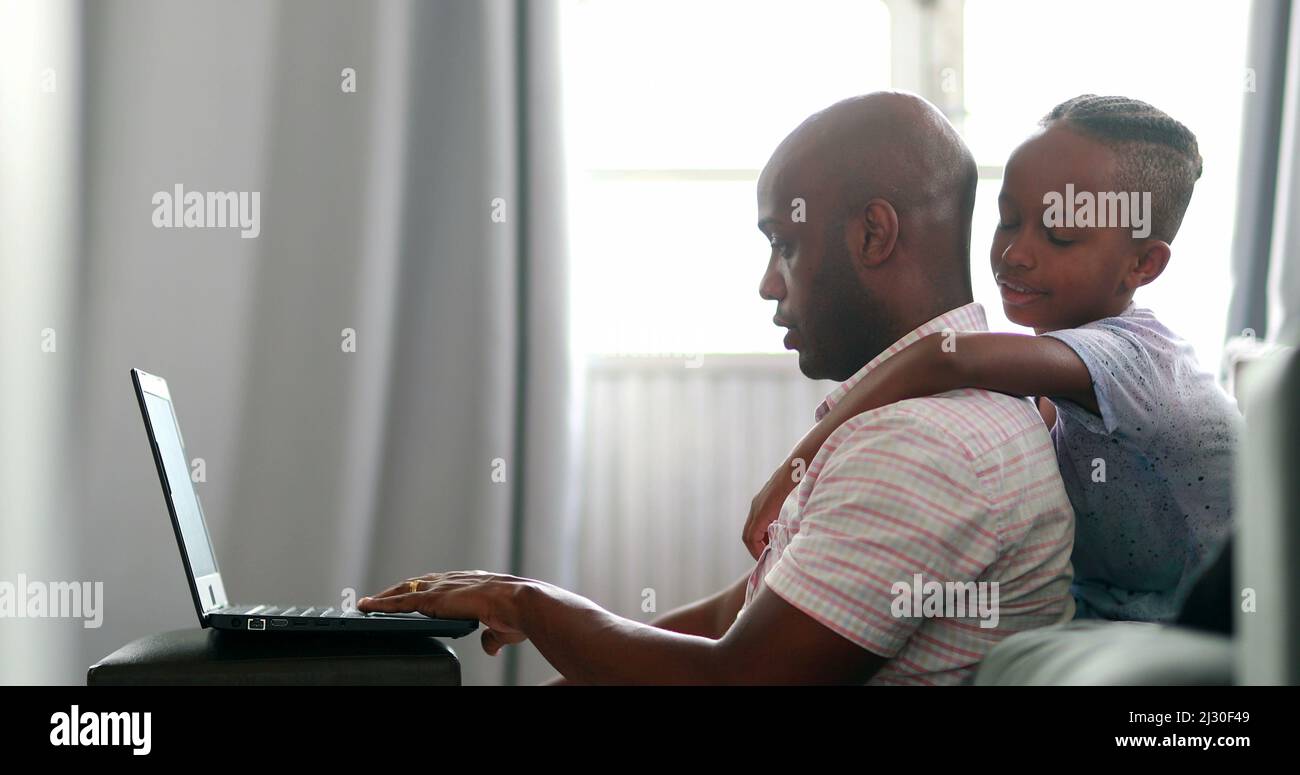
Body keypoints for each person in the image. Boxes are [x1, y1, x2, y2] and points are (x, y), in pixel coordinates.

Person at [357, 92, 1074, 685]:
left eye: (785, 246)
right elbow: (746, 610)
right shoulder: (923, 413)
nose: (768, 284)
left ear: (874, 234)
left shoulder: (924, 443)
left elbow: (738, 681)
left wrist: (531, 603)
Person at [741, 95, 1241, 624]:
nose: (1016, 253)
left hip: (1228, 615)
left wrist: (796, 470)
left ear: (1143, 264)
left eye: (1059, 235)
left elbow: (945, 357)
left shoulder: (1134, 357)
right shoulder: (1059, 374)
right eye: (1008, 222)